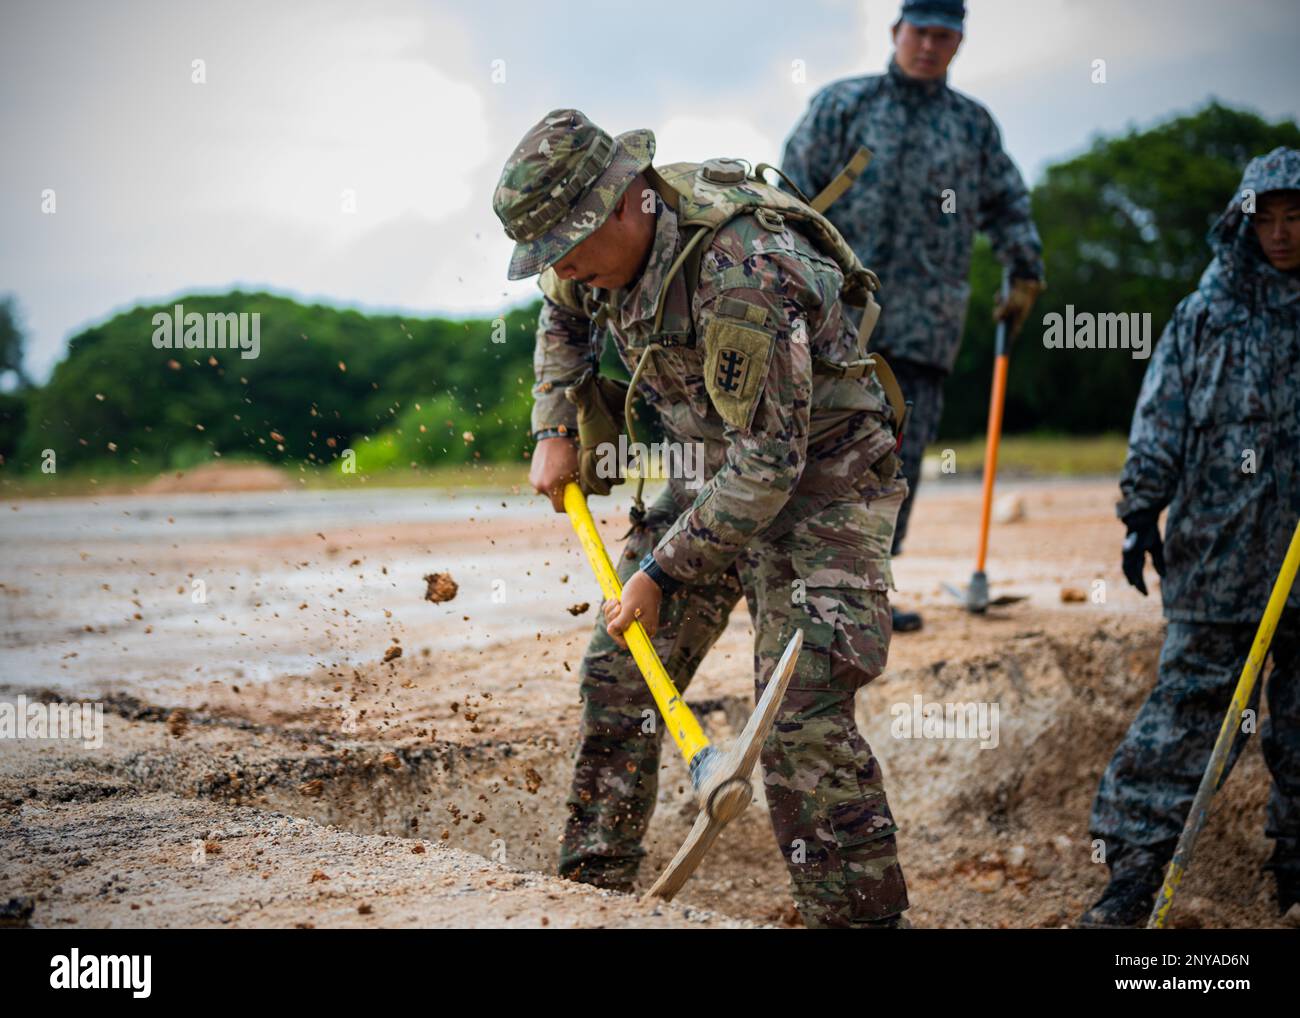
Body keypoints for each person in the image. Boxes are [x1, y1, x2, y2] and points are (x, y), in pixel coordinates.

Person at [493, 108, 912, 927]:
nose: (568, 269)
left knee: (801, 724)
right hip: (709, 465)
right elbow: (562, 311)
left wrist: (656, 572)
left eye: (572, 249)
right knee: (619, 677)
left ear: (623, 202)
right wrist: (553, 424)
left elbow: (772, 465)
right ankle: (591, 899)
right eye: (551, 257)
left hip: (823, 478)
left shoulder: (742, 271)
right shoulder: (591, 253)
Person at [1081, 147, 1300, 928]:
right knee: (1180, 727)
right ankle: (1132, 878)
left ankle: (1294, 878)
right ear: (1242, 224)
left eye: (1295, 217)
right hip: (1219, 561)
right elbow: (1162, 418)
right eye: (1265, 218)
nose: (1279, 233)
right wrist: (1142, 512)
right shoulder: (1205, 313)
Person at [781, 0, 1045, 632]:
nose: (930, 45)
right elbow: (787, 194)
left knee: (898, 459)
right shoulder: (843, 105)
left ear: (958, 44)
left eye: (945, 36)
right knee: (812, 447)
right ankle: (790, 585)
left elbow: (1009, 203)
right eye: (921, 32)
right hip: (833, 322)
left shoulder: (972, 126)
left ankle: (868, 591)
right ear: (896, 32)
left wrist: (1025, 269)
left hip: (927, 326)